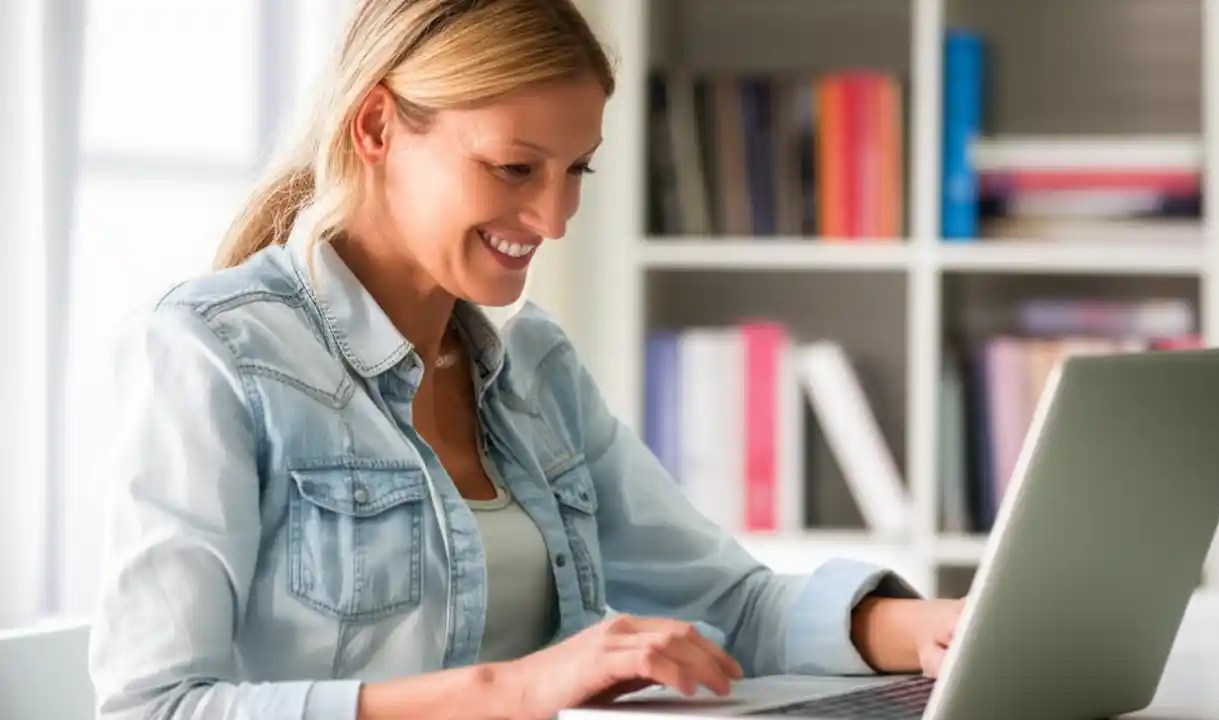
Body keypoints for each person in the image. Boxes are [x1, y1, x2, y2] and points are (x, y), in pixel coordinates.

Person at [87, 1, 964, 718]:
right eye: (514, 168)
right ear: (378, 126)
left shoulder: (532, 363)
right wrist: (508, 688)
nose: (553, 218)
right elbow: (155, 706)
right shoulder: (213, 352)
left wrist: (933, 626)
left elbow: (730, 604)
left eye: (576, 169)